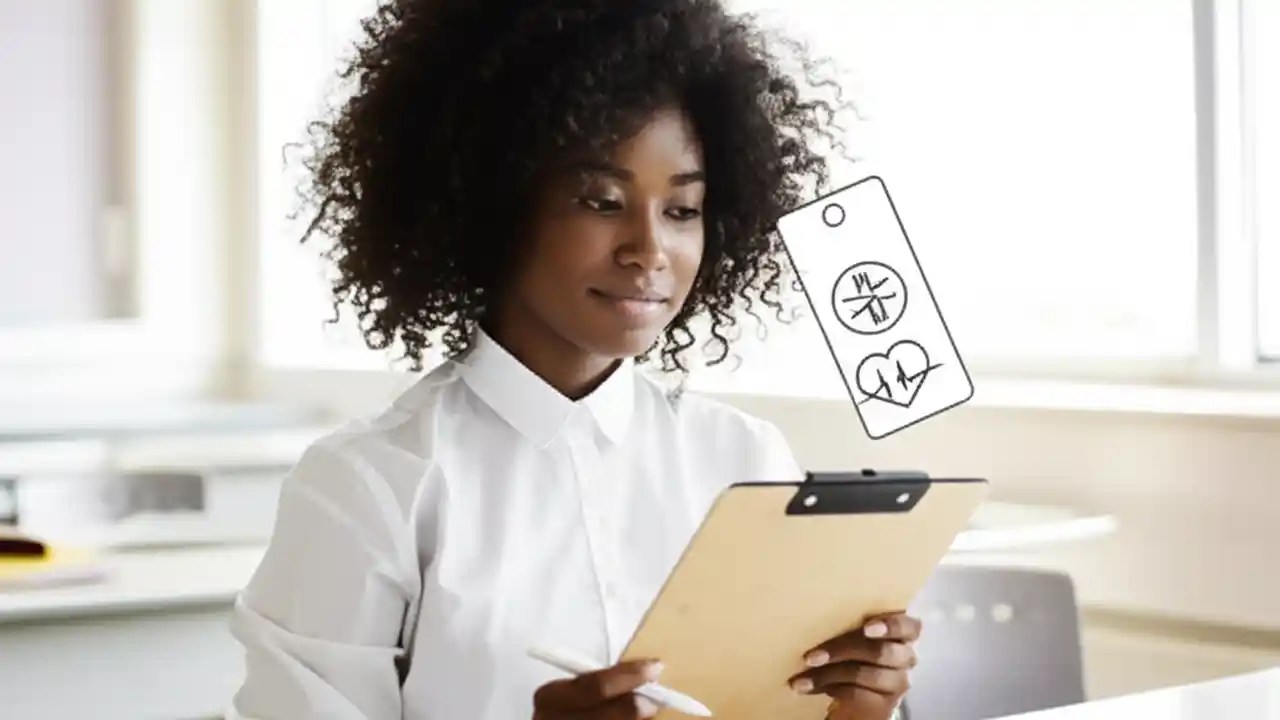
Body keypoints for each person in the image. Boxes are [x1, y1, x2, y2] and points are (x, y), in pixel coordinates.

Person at [229, 1, 921, 718]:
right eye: (601, 201)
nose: (649, 251)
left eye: (682, 210)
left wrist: (857, 710)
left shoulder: (745, 460)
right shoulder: (369, 486)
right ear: (491, 204)